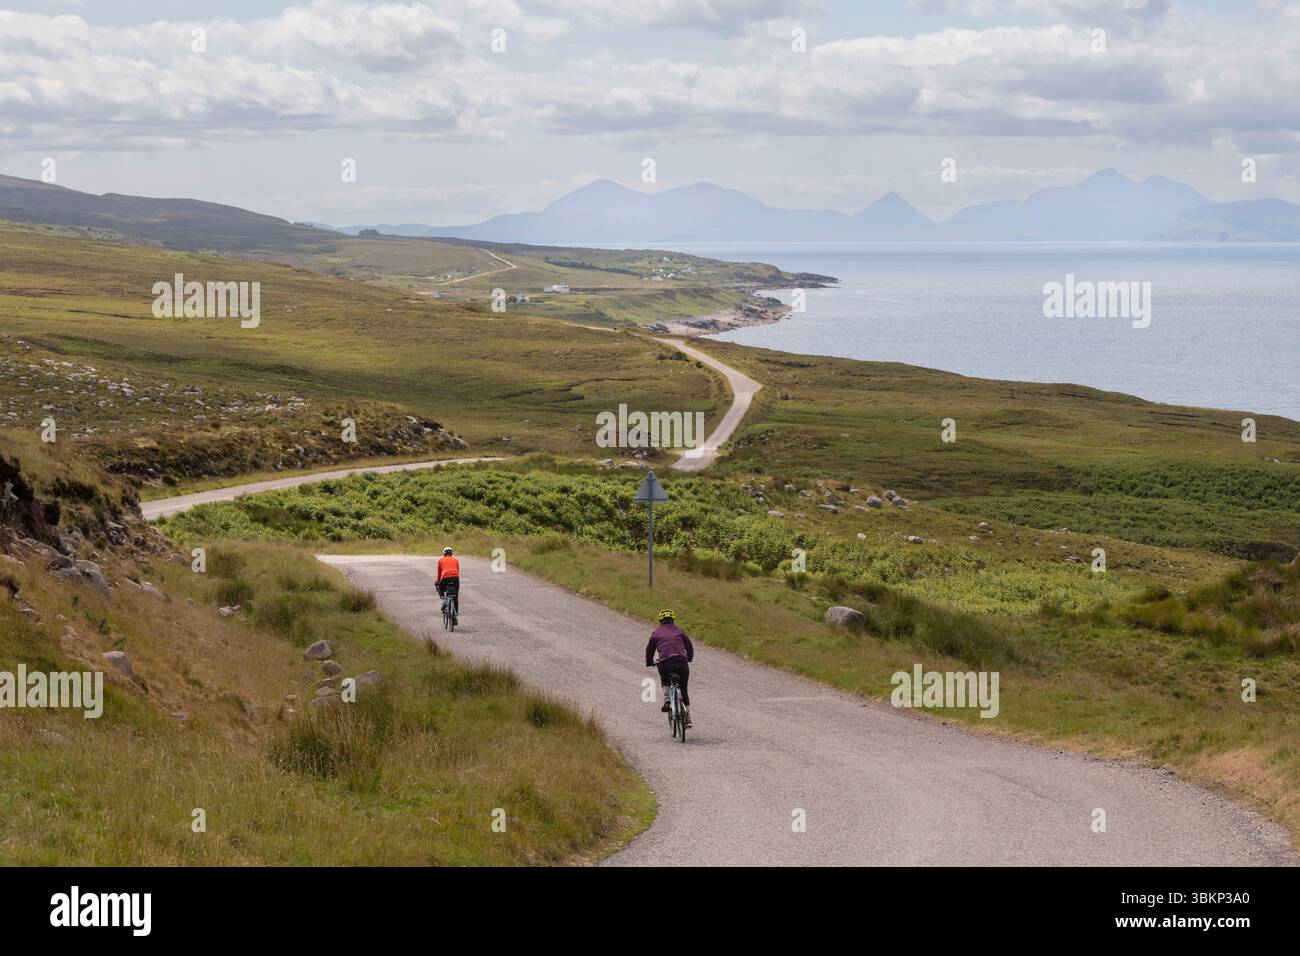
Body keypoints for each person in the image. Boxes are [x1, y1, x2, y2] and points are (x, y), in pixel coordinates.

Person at [646, 609, 693, 727]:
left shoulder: (655, 633)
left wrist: (649, 662)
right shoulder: (679, 630)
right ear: (673, 620)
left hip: (665, 663)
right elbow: (689, 645)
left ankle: (667, 699)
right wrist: (689, 658)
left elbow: (649, 650)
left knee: (665, 679)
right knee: (683, 689)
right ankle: (688, 717)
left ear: (660, 621)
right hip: (681, 662)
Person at [436, 547, 460, 620]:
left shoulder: (440, 560)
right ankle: (455, 614)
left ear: (444, 554)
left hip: (445, 578)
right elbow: (457, 571)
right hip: (455, 578)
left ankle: (445, 600)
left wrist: (437, 582)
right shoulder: (456, 560)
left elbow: (439, 574)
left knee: (440, 588)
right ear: (451, 553)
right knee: (455, 596)